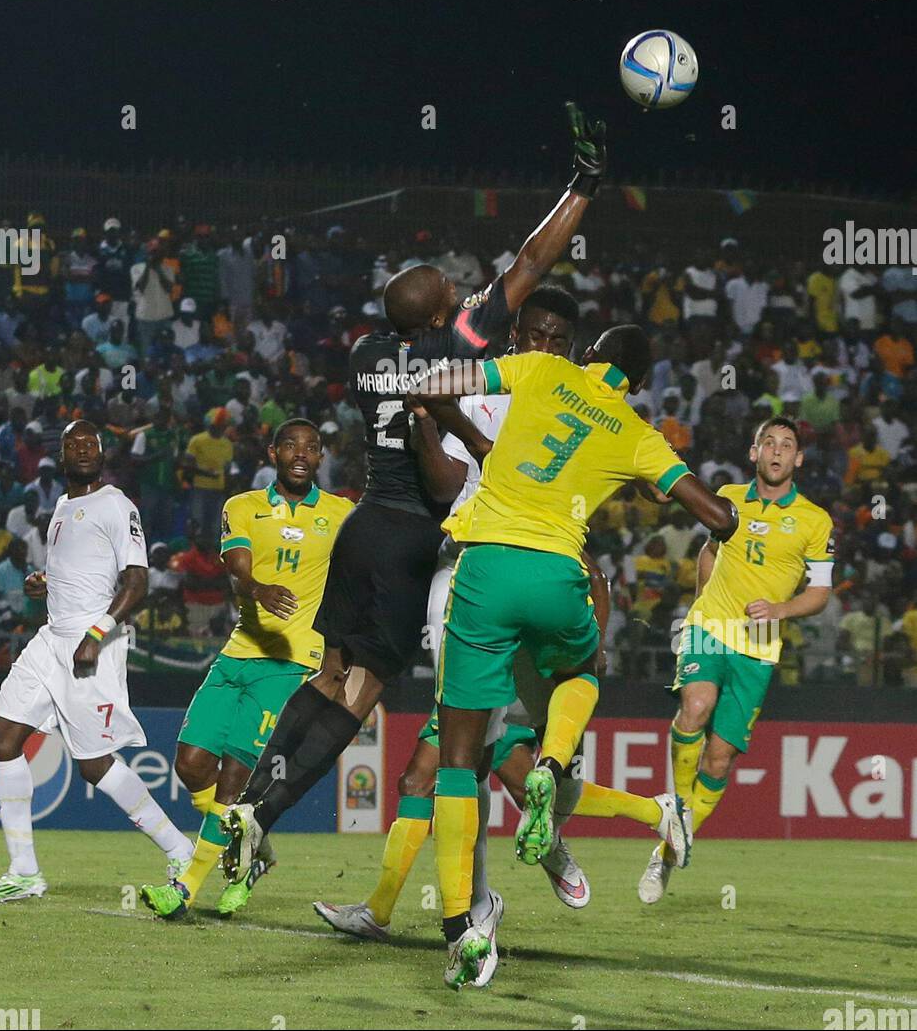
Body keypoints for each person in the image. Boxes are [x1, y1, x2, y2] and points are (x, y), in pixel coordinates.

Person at [219, 106, 609, 883]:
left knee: (326, 672)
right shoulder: (451, 347)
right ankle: (263, 814)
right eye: (453, 292)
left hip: (359, 526)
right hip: (408, 539)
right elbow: (530, 263)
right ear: (440, 314)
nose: (465, 293)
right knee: (360, 694)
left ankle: (248, 800)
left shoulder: (366, 353)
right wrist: (583, 185)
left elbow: (426, 316)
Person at [314, 292, 689, 980]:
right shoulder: (496, 390)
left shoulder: (565, 396)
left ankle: (471, 907)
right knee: (451, 766)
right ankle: (429, 902)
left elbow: (603, 504)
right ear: (518, 334)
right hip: (468, 577)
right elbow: (447, 479)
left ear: (577, 348)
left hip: (520, 586)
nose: (544, 343)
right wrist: (432, 428)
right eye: (535, 332)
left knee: (464, 764)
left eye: (558, 336)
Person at [410, 323, 738, 987]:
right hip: (560, 573)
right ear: (638, 383)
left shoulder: (540, 368)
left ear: (590, 355)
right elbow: (719, 519)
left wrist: (479, 441)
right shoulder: (638, 432)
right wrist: (690, 492)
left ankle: (461, 929)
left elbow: (429, 385)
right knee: (579, 672)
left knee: (456, 761)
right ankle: (552, 760)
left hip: (485, 570)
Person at [0, 420, 193, 905]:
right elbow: (81, 572)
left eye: (91, 443)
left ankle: (180, 849)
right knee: (3, 741)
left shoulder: (116, 504)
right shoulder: (63, 507)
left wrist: (96, 635)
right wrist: (45, 583)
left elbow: (137, 582)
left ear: (103, 452)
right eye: (74, 444)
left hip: (91, 642)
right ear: (63, 456)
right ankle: (24, 871)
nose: (84, 450)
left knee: (93, 764)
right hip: (51, 639)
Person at [141, 419, 353, 920]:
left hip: (292, 664)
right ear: (273, 452)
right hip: (239, 653)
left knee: (235, 784)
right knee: (191, 763)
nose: (302, 454)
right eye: (292, 446)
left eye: (312, 448)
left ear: (320, 458)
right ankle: (249, 850)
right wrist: (257, 589)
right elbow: (237, 566)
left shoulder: (343, 514)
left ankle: (186, 888)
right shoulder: (242, 506)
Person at [638, 416, 834, 903]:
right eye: (768, 442)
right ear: (754, 452)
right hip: (710, 628)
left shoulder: (814, 519)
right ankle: (678, 812)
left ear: (798, 459)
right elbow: (709, 551)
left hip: (761, 643)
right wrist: (700, 605)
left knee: (720, 758)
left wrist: (782, 609)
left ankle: (666, 853)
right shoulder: (728, 496)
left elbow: (822, 592)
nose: (776, 451)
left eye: (787, 445)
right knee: (695, 708)